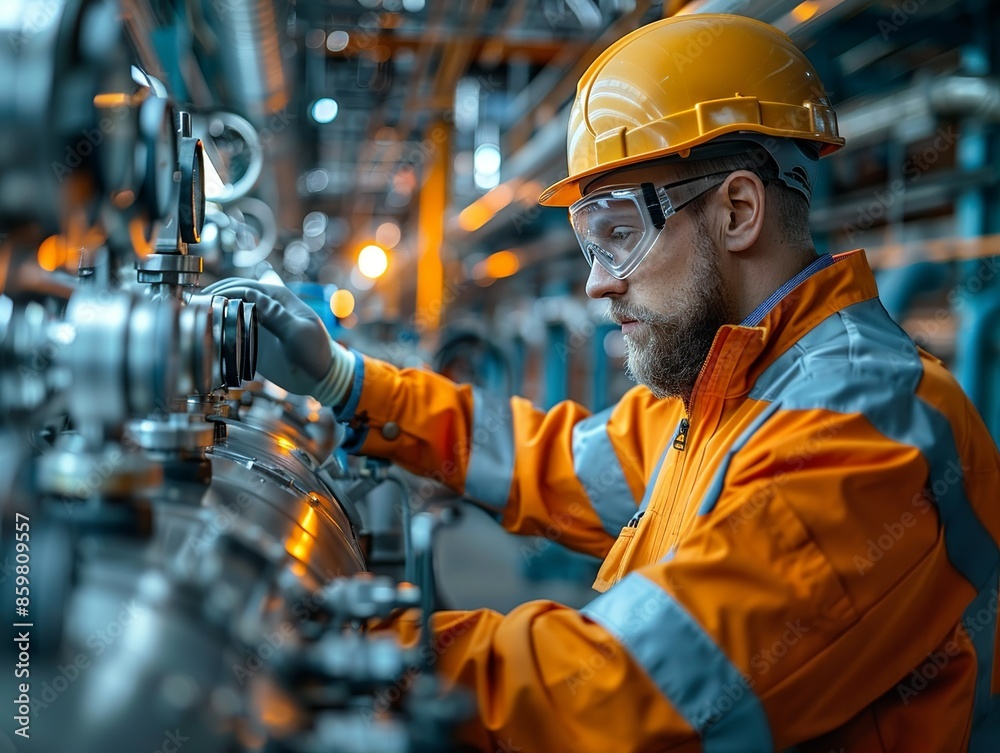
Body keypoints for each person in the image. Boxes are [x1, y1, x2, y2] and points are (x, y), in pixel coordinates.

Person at [204, 14, 1000, 752]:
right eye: (589, 244)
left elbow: (627, 686)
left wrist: (340, 645)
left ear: (738, 212)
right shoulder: (726, 400)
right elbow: (543, 460)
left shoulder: (865, 426)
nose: (596, 284)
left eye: (617, 234)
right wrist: (347, 381)